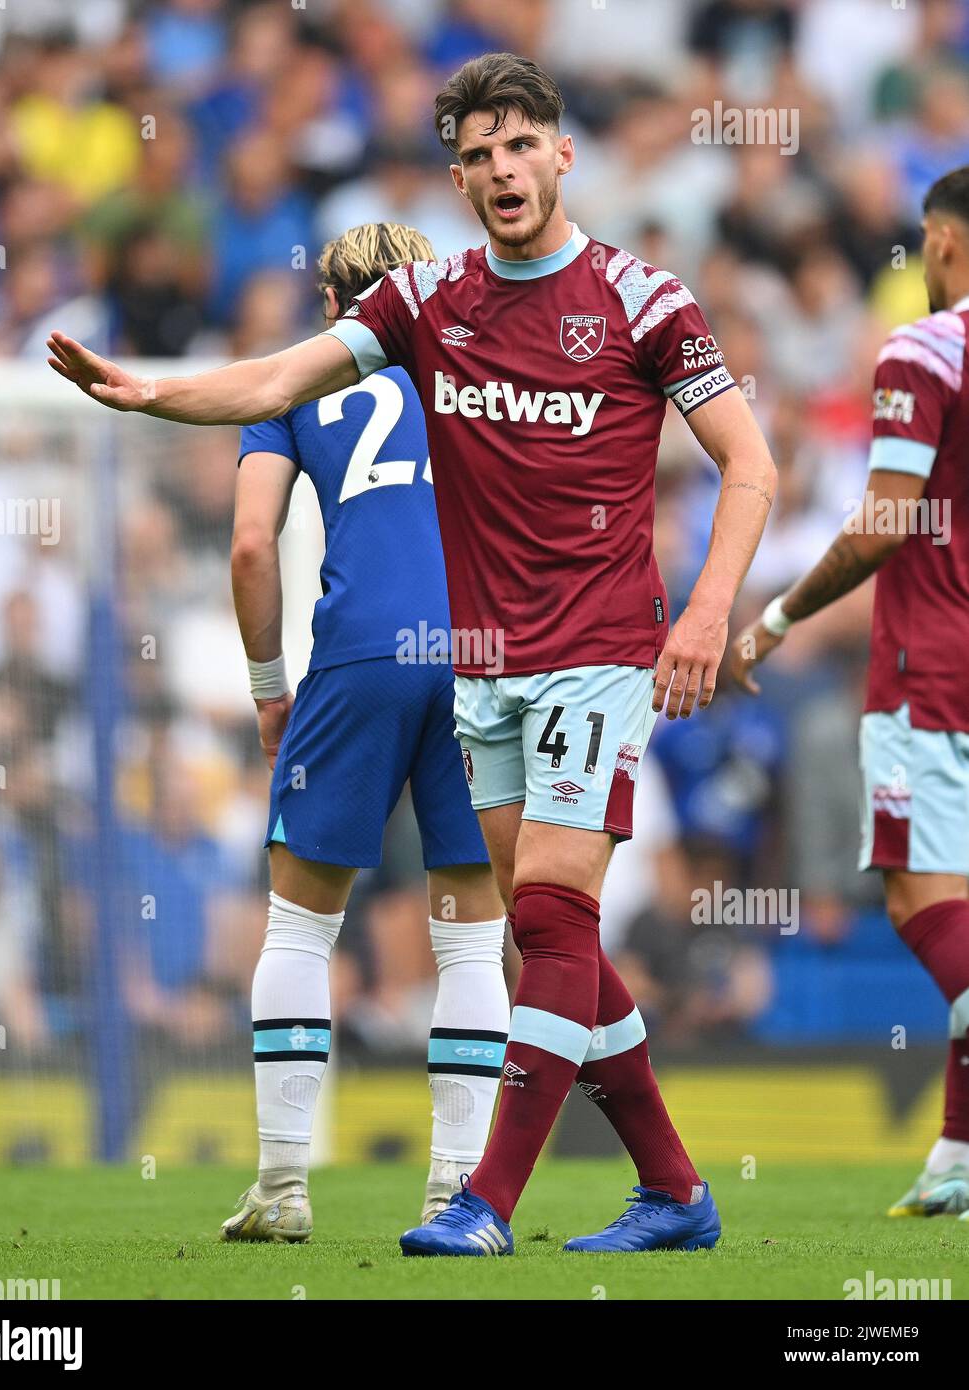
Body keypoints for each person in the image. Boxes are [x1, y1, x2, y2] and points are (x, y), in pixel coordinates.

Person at [47, 52, 776, 1258]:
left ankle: (480, 1200)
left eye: (519, 146)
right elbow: (281, 376)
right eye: (478, 155)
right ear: (458, 175)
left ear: (561, 153)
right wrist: (148, 394)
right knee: (555, 941)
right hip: (482, 664)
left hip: (599, 650)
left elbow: (750, 465)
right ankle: (676, 1187)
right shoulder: (429, 301)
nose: (501, 171)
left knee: (545, 913)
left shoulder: (646, 300)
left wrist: (705, 614)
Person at [229, 221, 507, 1242]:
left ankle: (283, 1187)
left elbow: (254, 545)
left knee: (303, 924)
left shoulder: (298, 385)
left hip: (360, 653)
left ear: (328, 302)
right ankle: (455, 1191)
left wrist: (269, 686)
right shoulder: (481, 367)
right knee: (472, 936)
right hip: (480, 649)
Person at [732, 165, 969, 1224]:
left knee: (922, 900)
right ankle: (961, 1155)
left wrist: (777, 617)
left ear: (946, 241)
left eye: (928, 241)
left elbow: (884, 520)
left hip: (933, 665)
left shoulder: (923, 350)